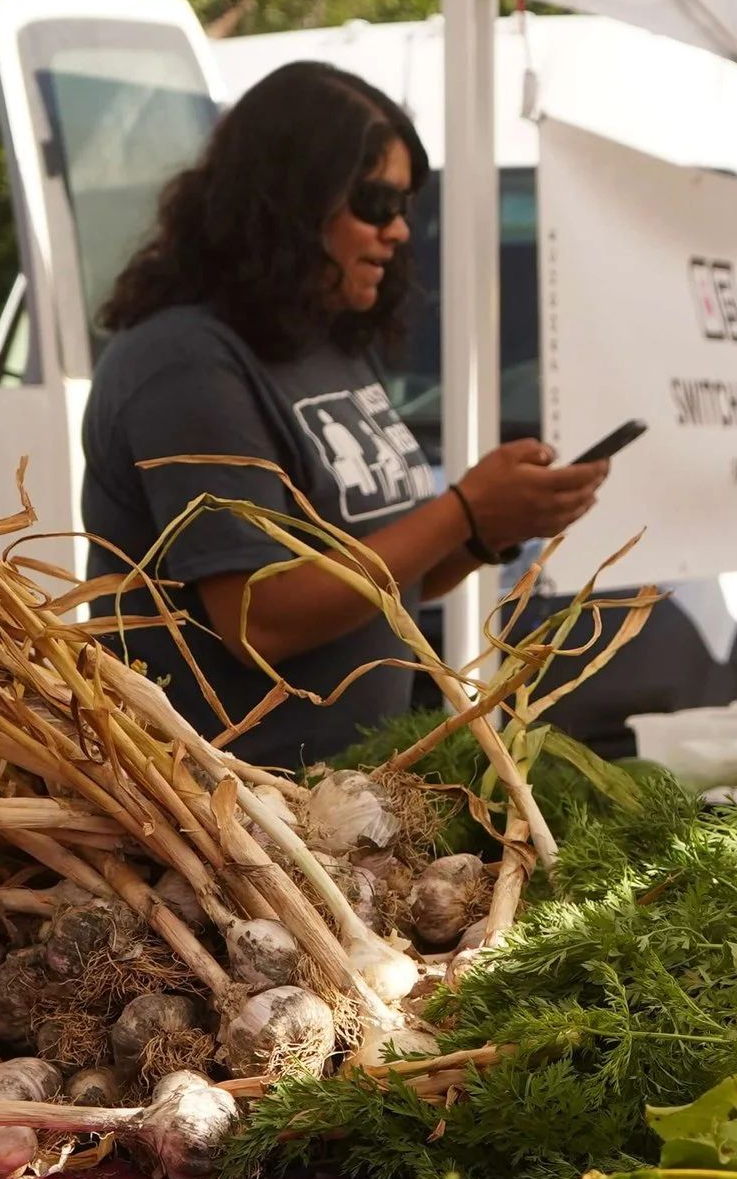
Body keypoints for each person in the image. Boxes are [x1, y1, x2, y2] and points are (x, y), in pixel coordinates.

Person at [83, 62, 607, 768]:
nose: (397, 231)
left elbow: (380, 580)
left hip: (346, 797)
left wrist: (490, 528)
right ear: (289, 200)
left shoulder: (325, 341)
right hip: (231, 805)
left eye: (404, 207)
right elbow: (259, 618)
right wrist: (460, 510)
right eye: (375, 202)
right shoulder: (187, 364)